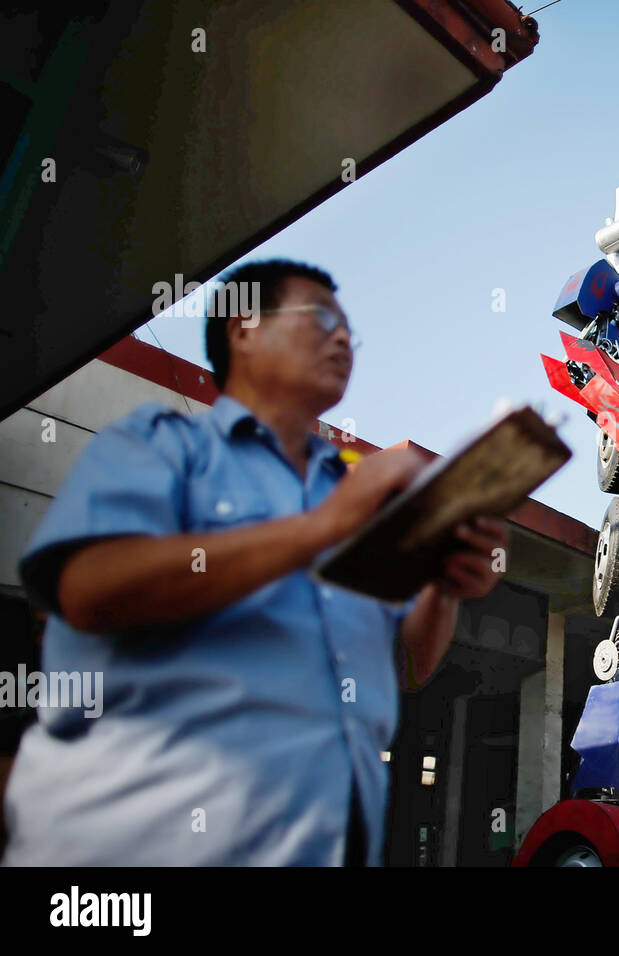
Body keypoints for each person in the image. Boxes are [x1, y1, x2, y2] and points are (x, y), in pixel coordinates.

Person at [1, 259, 507, 865]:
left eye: (351, 328)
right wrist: (323, 527)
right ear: (243, 329)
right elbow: (86, 590)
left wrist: (443, 587)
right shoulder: (161, 445)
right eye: (322, 318)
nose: (344, 337)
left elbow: (406, 667)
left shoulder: (350, 494)